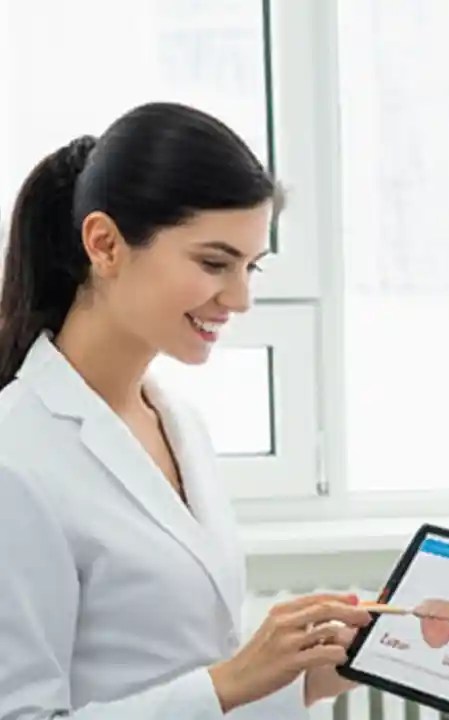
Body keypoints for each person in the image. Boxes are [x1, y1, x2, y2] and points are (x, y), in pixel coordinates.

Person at [0, 102, 371, 718]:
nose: (241, 297)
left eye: (251, 267)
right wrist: (230, 681)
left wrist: (303, 679)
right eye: (214, 263)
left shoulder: (177, 423)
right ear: (105, 244)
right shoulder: (15, 456)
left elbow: (175, 669)